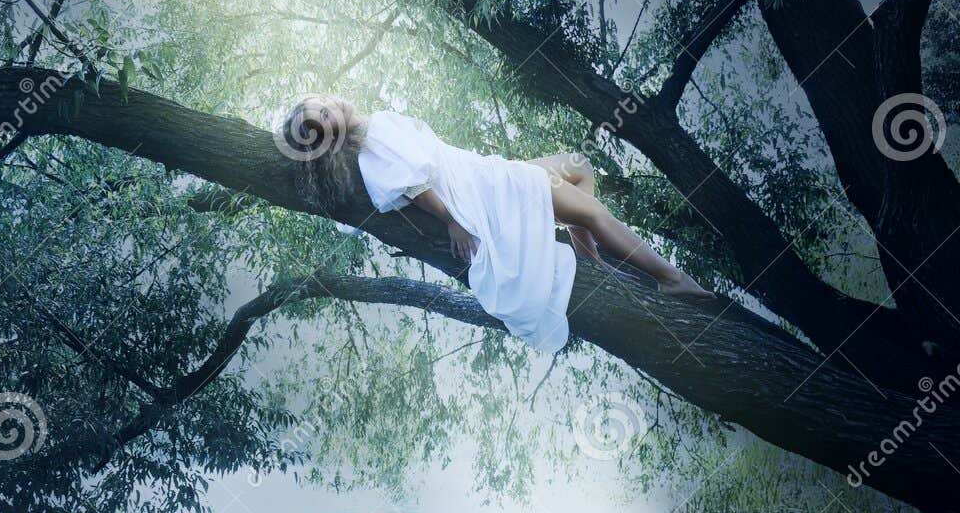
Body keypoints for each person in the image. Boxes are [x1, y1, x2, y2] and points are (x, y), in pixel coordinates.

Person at [279, 94, 715, 352]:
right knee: (593, 211)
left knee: (579, 169)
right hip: (484, 193)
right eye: (326, 116)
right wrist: (454, 223)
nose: (333, 105)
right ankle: (669, 278)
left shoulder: (371, 131)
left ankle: (591, 258)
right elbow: (416, 183)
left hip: (484, 174)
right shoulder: (375, 143)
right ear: (332, 135)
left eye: (323, 101)